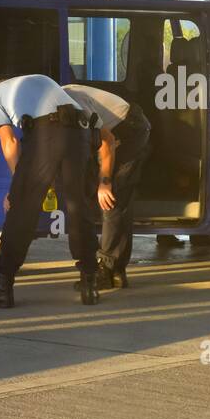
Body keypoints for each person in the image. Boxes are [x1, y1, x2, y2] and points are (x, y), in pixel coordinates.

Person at [0, 74, 100, 309]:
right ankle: (90, 284)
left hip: (48, 131)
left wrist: (17, 186)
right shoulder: (36, 80)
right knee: (78, 206)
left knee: (21, 209)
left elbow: (10, 142)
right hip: (80, 131)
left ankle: (2, 288)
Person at [62, 84, 152, 290]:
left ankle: (108, 269)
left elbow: (107, 142)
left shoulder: (71, 104)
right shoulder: (59, 100)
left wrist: (105, 181)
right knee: (112, 197)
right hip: (120, 125)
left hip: (129, 128)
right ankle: (117, 271)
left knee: (112, 195)